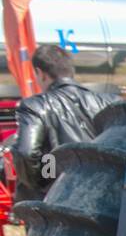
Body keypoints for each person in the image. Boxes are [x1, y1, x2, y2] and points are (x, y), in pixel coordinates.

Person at [13, 45, 116, 202]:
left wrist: (43, 183)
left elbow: (26, 153)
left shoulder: (36, 105)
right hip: (104, 195)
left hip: (59, 199)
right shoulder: (109, 102)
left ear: (40, 73)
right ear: (70, 70)